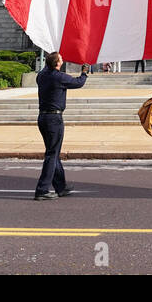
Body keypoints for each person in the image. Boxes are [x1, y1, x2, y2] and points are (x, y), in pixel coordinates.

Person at [33, 51, 90, 199]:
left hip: (42, 117)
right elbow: (79, 83)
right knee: (52, 154)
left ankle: (60, 187)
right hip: (54, 119)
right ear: (57, 63)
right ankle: (42, 189)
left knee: (53, 152)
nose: (63, 60)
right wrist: (84, 72)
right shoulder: (59, 78)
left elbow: (47, 69)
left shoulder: (41, 76)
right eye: (61, 59)